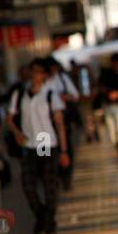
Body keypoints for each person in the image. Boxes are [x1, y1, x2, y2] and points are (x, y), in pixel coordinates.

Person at [4, 59, 70, 234]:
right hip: (28, 142)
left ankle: (49, 222)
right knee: (28, 185)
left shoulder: (50, 94)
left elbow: (60, 123)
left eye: (39, 72)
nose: (35, 75)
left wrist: (64, 151)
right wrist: (17, 133)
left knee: (49, 184)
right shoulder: (20, 94)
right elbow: (9, 119)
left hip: (44, 140)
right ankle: (41, 215)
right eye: (32, 70)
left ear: (45, 75)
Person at [46, 59, 80, 190]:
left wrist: (66, 97)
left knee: (64, 150)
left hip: (60, 124)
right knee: (44, 157)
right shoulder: (35, 89)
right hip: (42, 132)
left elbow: (75, 96)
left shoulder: (61, 79)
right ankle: (50, 180)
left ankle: (65, 176)